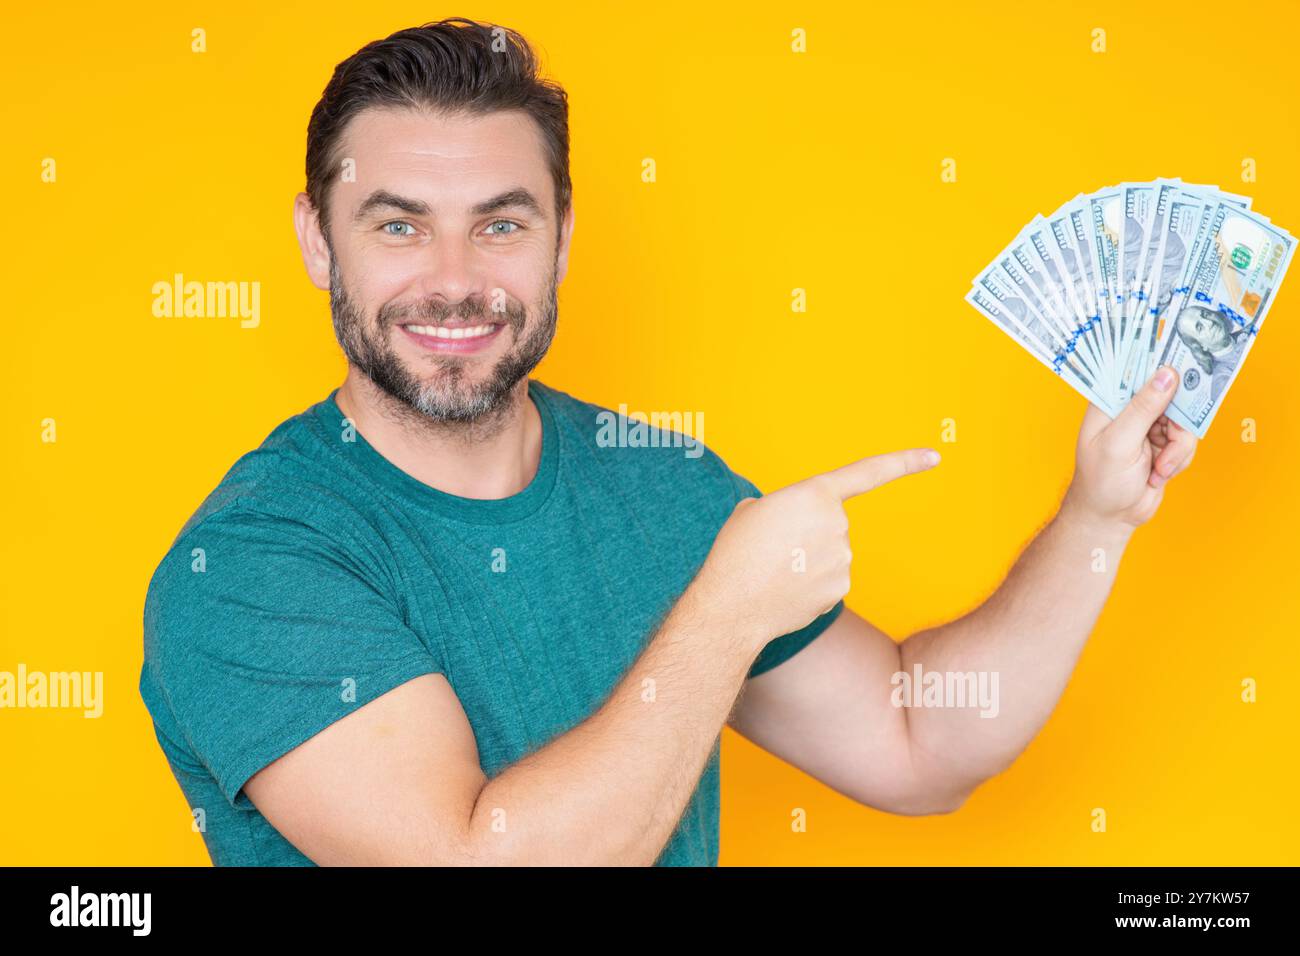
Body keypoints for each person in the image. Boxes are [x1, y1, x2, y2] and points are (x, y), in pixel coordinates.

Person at [138, 17, 1199, 866]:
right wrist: (724, 614)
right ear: (318, 241)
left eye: (502, 223)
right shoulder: (247, 564)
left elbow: (920, 745)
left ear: (563, 238)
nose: (454, 276)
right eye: (398, 224)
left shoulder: (663, 486)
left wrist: (1095, 517)